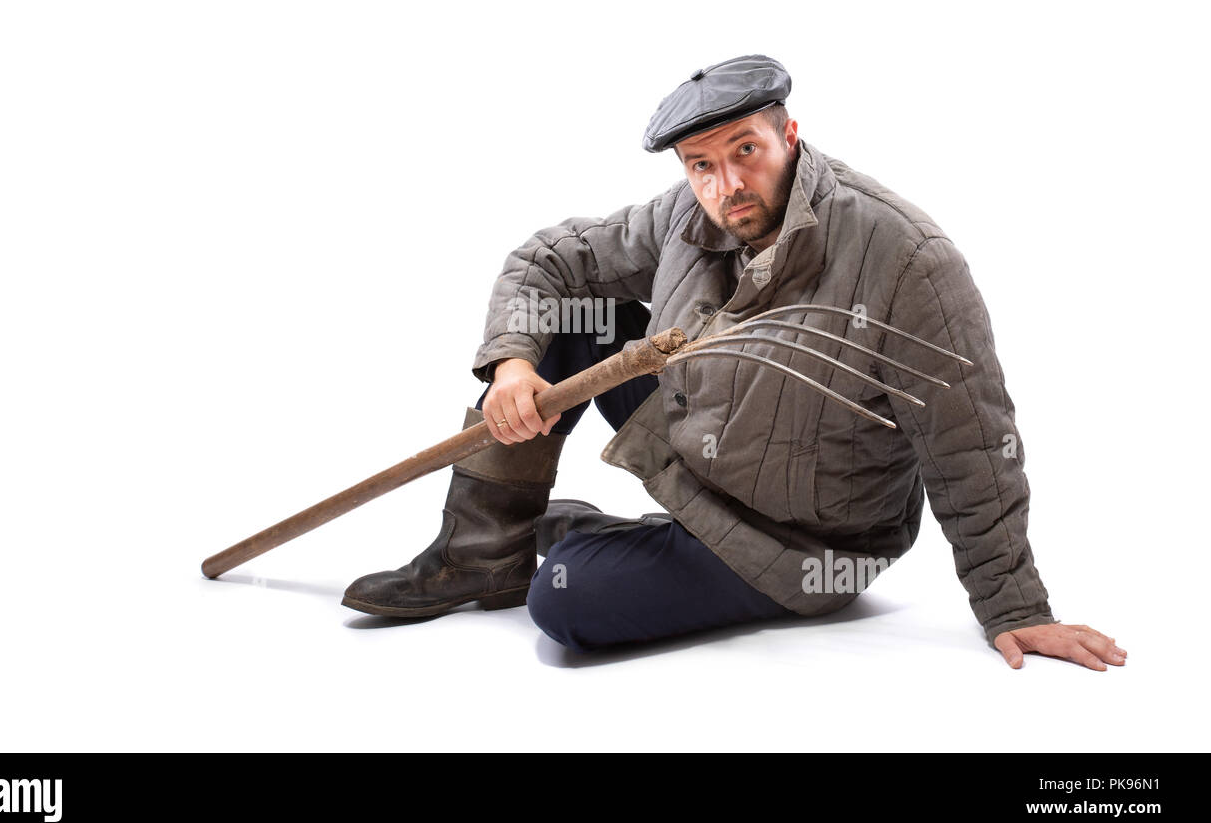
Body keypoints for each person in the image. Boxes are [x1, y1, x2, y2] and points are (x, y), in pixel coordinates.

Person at [342, 54, 1126, 671]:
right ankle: (479, 557)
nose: (727, 185)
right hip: (705, 444)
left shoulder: (904, 258)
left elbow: (970, 438)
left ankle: (583, 539)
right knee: (575, 319)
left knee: (565, 607)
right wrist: (512, 365)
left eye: (744, 151)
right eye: (701, 164)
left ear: (789, 136)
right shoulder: (689, 212)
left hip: (801, 541)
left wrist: (1014, 604)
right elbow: (549, 259)